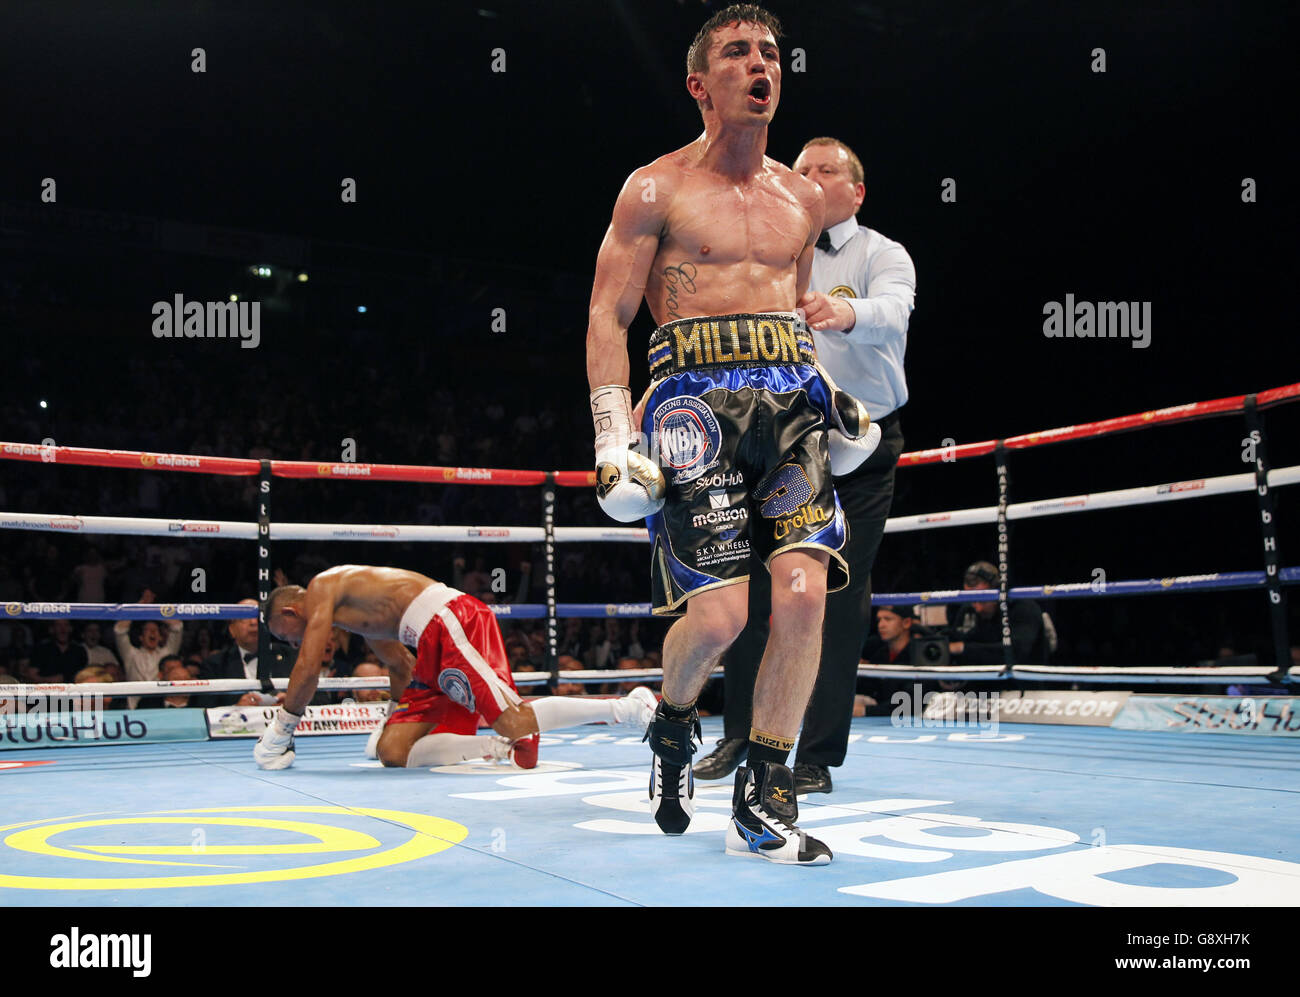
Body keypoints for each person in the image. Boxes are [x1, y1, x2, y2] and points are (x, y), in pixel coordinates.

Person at [584, 4, 878, 864]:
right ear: (699, 83)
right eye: (739, 52)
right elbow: (607, 311)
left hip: (787, 402)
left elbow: (790, 314)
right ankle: (674, 720)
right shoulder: (655, 187)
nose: (763, 64)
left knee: (803, 593)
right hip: (690, 411)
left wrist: (824, 394)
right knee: (716, 618)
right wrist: (610, 436)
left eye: (773, 53)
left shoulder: (803, 198)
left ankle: (766, 794)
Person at [696, 135, 915, 794]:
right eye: (800, 169)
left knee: (840, 596)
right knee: (753, 584)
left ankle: (816, 753)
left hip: (865, 437)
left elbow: (895, 311)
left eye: (825, 170)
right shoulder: (770, 246)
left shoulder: (884, 253)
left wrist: (840, 311)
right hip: (784, 431)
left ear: (856, 190)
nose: (810, 179)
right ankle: (740, 732)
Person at [257, 565, 657, 771]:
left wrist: (281, 729)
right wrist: (391, 718)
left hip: (451, 620)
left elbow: (308, 668)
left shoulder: (324, 586)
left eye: (288, 635)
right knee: (393, 752)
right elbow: (399, 665)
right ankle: (496, 748)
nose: (294, 644)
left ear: (291, 611)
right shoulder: (357, 614)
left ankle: (626, 707)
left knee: (514, 720)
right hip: (427, 644)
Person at [200, 598, 296, 707]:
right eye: (244, 617)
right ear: (232, 629)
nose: (253, 622)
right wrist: (236, 709)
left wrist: (292, 704)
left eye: (258, 617)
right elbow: (204, 708)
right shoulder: (215, 664)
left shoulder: (291, 656)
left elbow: (315, 696)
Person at [948, 561, 1048, 666]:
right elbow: (954, 639)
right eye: (972, 599)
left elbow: (1015, 653)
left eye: (983, 600)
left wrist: (963, 648)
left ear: (997, 591)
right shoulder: (968, 610)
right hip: (980, 678)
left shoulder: (1024, 608)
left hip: (1019, 679)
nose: (978, 608)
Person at [113, 590, 183, 708]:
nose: (153, 632)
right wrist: (141, 605)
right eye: (148, 630)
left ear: (160, 637)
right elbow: (119, 629)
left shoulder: (167, 653)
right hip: (133, 710)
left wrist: (153, 609)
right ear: (141, 637)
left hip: (160, 708)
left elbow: (177, 626)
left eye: (156, 630)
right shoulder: (130, 654)